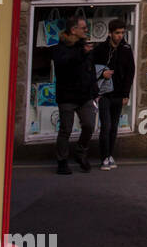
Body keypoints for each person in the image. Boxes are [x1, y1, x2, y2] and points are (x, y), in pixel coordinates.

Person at [52, 14, 98, 175]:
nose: (86, 30)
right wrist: (82, 54)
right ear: (73, 30)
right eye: (83, 28)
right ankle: (62, 161)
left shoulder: (84, 46)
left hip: (84, 95)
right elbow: (64, 65)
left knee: (89, 125)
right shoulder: (61, 48)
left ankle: (81, 151)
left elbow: (90, 70)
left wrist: (95, 91)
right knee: (65, 129)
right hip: (67, 95)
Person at [92, 19, 135, 169]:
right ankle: (104, 157)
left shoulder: (126, 48)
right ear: (110, 33)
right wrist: (102, 74)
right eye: (117, 33)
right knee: (106, 126)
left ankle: (110, 154)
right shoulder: (101, 49)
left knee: (114, 126)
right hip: (104, 94)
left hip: (118, 94)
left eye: (122, 33)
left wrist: (126, 94)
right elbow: (91, 69)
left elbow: (130, 72)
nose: (120, 36)